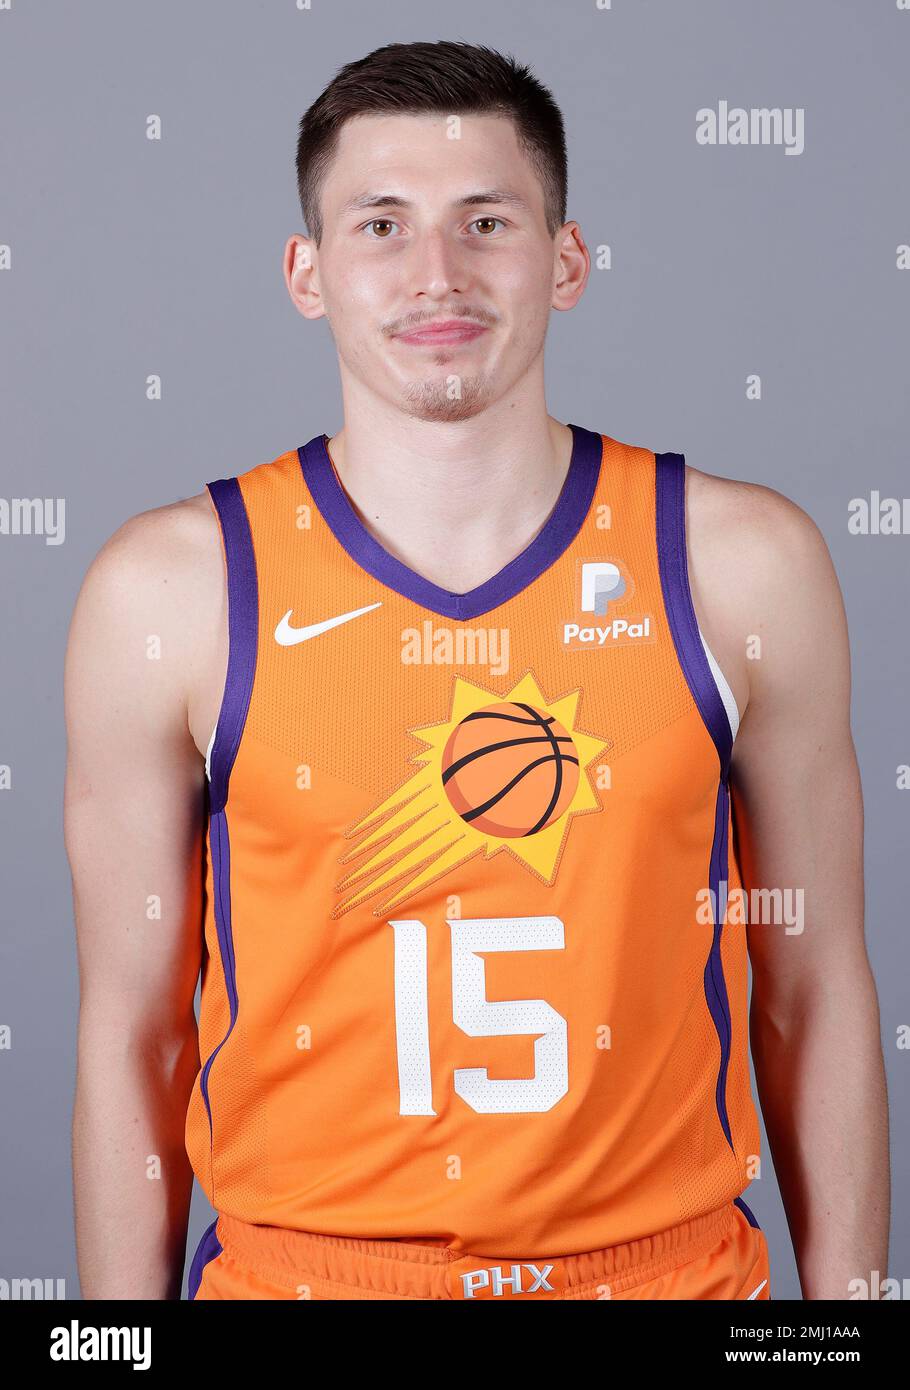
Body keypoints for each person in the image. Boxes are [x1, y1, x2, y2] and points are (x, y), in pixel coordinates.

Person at [65, 39, 887, 1301]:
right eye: (381, 225)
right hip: (303, 1285)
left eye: (485, 221)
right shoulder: (170, 589)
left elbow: (815, 979)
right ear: (308, 272)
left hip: (665, 1284)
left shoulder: (740, 566)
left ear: (565, 260)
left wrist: (842, 1332)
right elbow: (135, 1029)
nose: (435, 274)